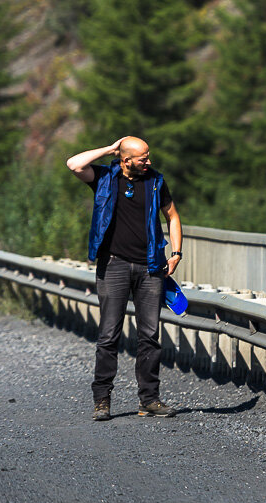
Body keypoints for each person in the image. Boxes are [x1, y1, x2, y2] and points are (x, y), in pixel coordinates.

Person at [66, 136, 183, 421]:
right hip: (114, 265)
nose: (149, 162)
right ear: (125, 159)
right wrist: (108, 148)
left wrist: (176, 253)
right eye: (143, 157)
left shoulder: (155, 181)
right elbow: (73, 164)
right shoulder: (105, 177)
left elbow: (173, 216)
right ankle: (102, 401)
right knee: (108, 336)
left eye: (148, 156)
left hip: (151, 267)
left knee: (150, 336)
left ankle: (150, 400)